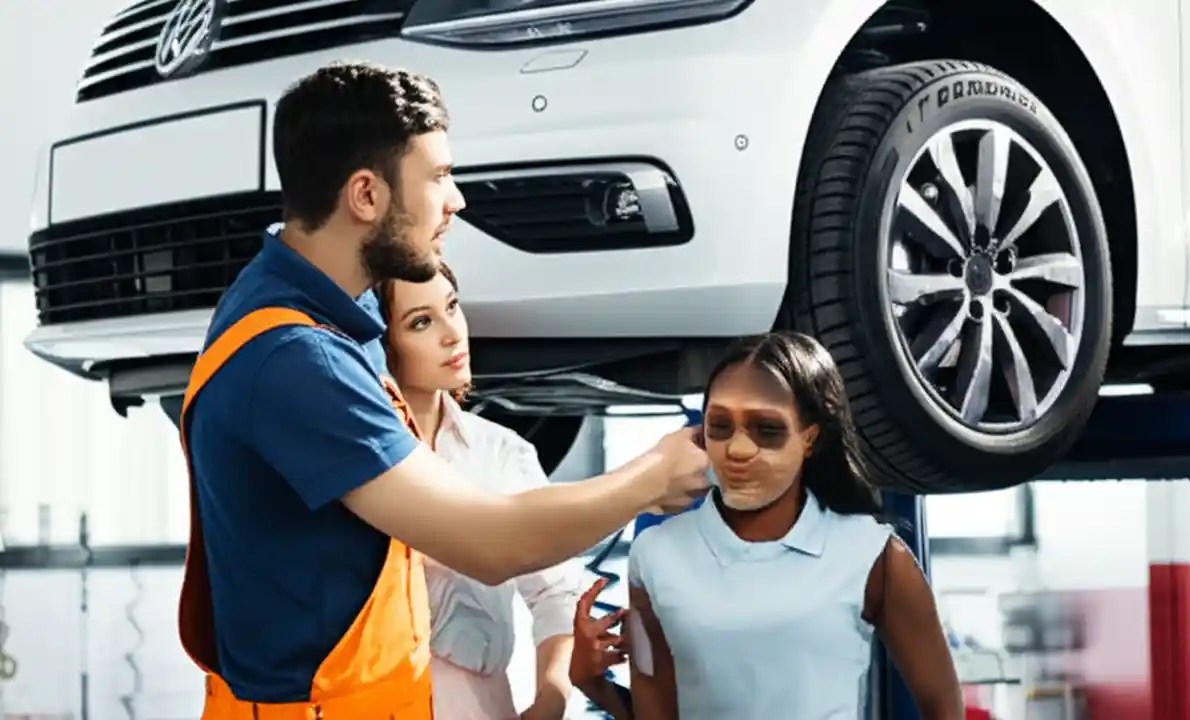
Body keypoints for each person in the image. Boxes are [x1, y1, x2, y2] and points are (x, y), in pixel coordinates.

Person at [178, 61, 708, 718]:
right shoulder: (294, 358)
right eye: (436, 177)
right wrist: (652, 476)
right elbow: (492, 544)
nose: (456, 200)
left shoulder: (319, 314)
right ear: (366, 196)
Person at [568, 331, 965, 719]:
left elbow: (946, 710)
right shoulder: (655, 555)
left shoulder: (874, 554)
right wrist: (593, 683)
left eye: (767, 429)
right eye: (720, 426)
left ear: (810, 438)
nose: (738, 450)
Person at [375, 264, 586, 719]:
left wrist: (552, 695)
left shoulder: (503, 452)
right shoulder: (355, 461)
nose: (452, 333)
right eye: (421, 322)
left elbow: (555, 593)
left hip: (485, 703)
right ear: (382, 345)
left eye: (452, 306)